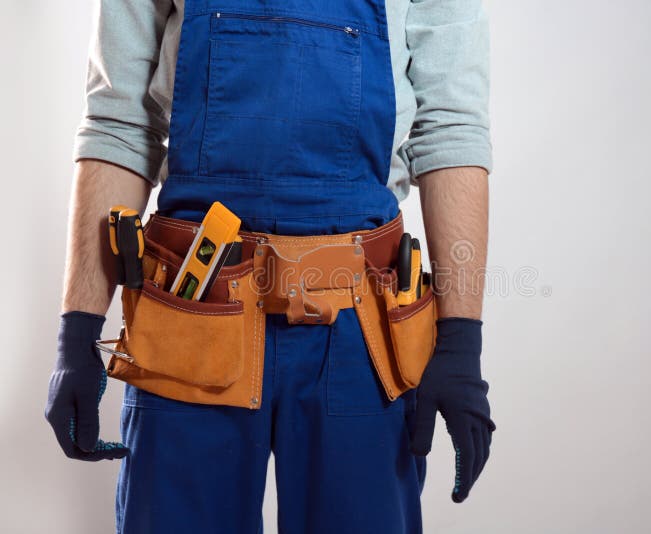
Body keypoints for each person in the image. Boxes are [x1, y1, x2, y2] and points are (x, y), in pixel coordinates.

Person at [45, 0, 495, 532]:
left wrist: (460, 343)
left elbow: (450, 132)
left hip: (362, 333)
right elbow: (118, 125)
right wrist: (78, 331)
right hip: (193, 315)